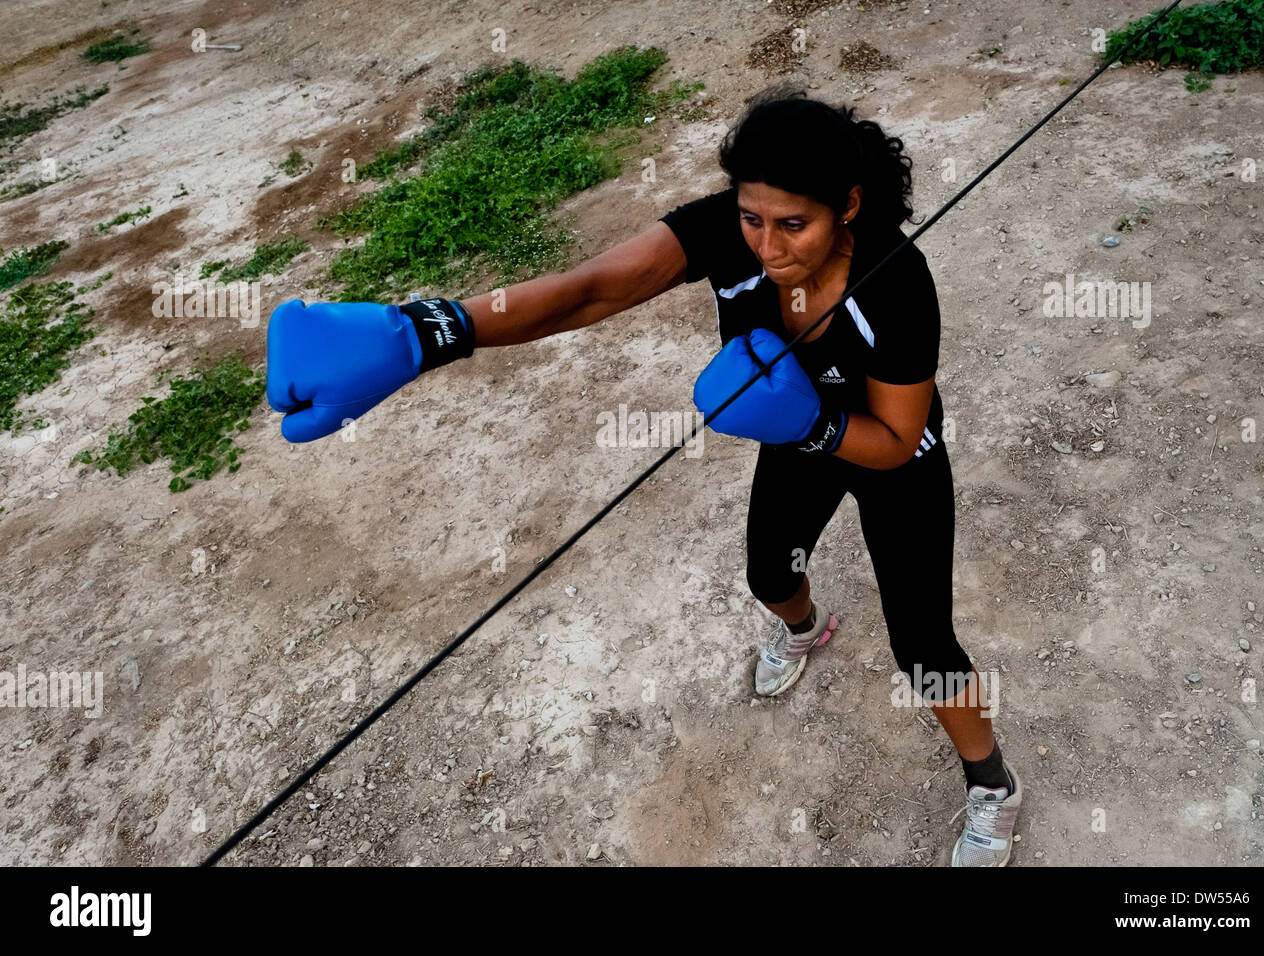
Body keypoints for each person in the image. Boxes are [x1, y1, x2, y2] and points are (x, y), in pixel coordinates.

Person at [266, 88, 1022, 866]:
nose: (767, 246)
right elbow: (591, 288)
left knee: (923, 644)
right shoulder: (724, 235)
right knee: (768, 572)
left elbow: (896, 439)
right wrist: (435, 331)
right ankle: (804, 629)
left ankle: (992, 784)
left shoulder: (897, 278)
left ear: (848, 206)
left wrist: (810, 423)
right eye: (753, 218)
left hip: (887, 454)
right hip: (796, 433)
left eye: (794, 224)